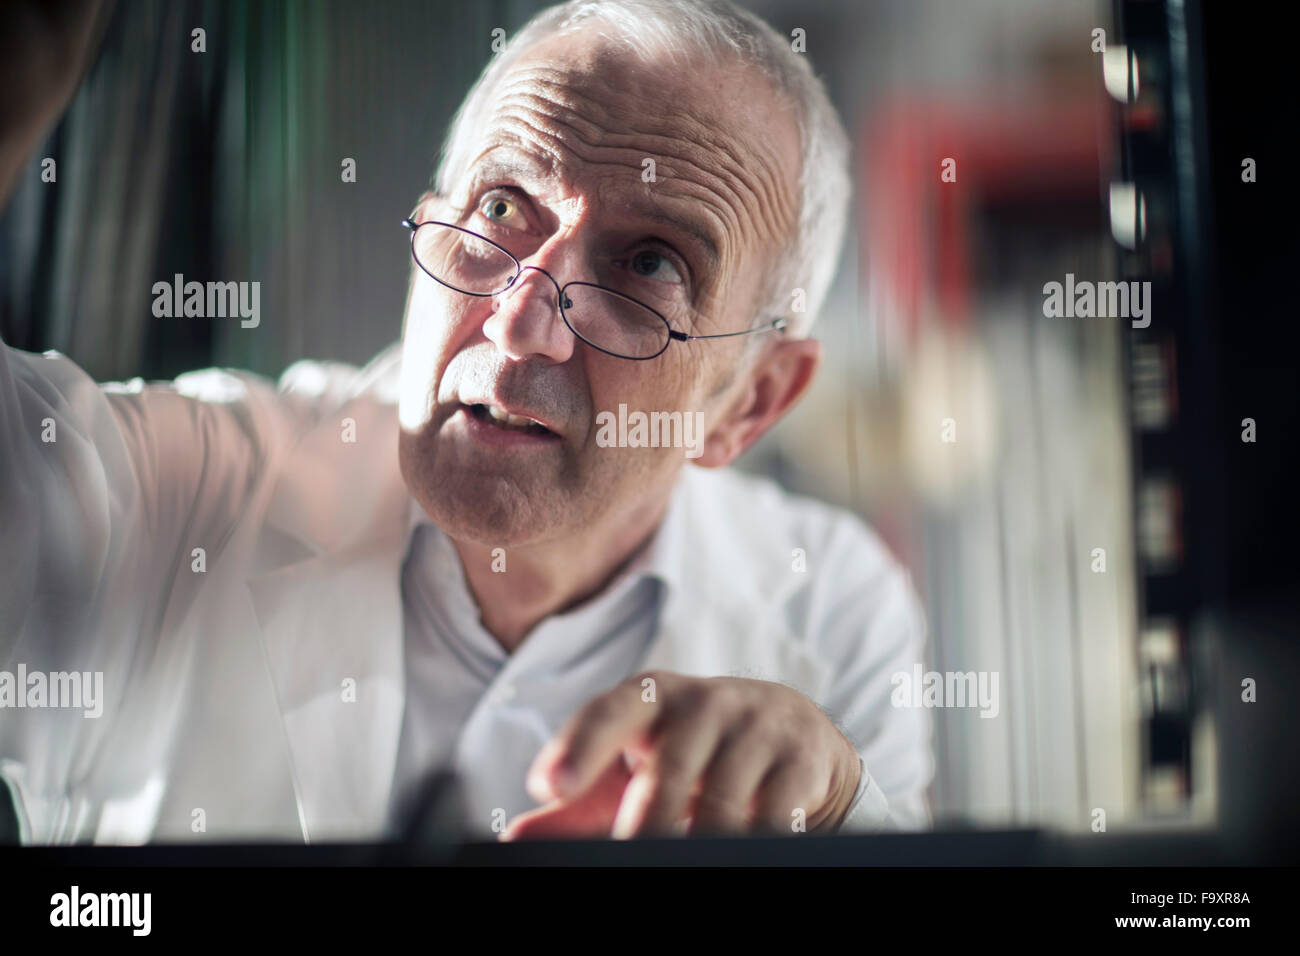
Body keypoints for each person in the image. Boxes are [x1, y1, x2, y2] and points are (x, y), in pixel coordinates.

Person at [0, 0, 932, 844]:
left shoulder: (833, 609)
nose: (524, 324)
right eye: (499, 208)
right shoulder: (172, 499)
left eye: (650, 265)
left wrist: (847, 820)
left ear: (752, 402)